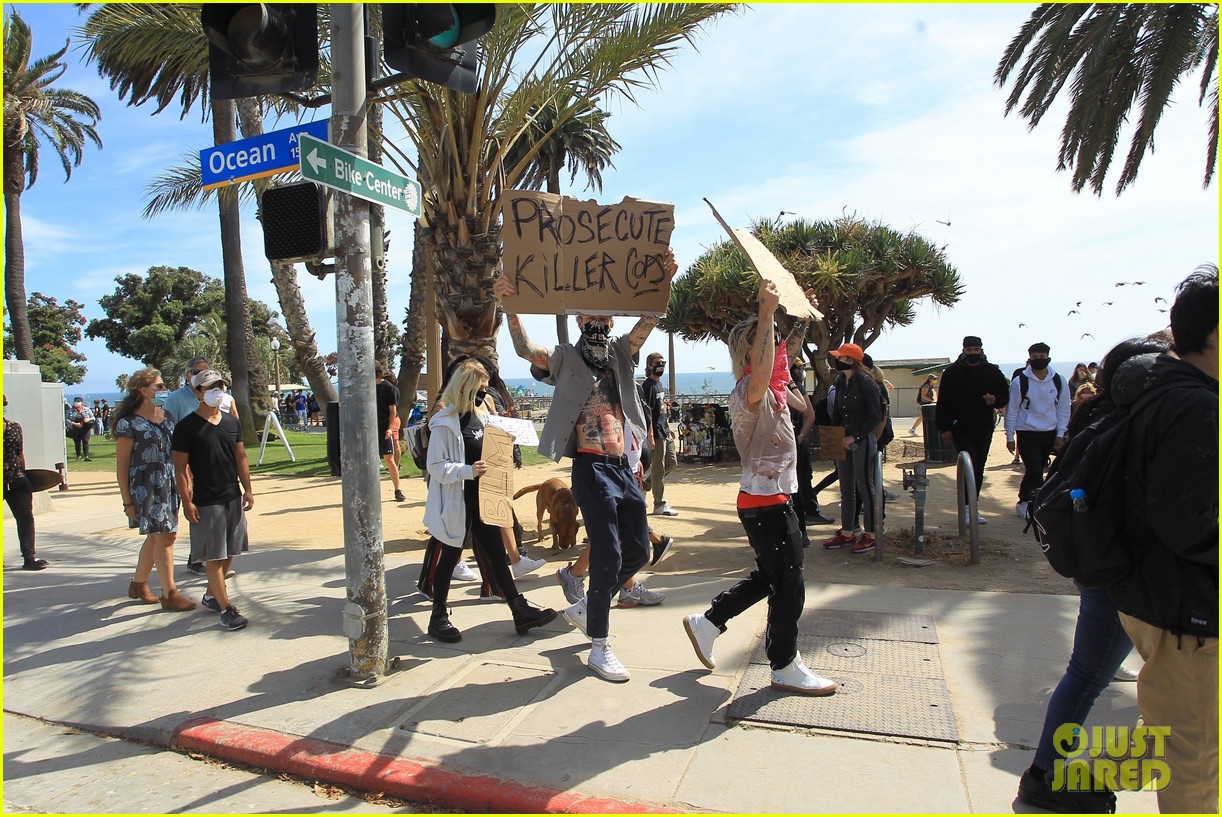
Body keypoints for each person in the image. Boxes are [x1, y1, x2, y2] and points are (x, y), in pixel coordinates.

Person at [494, 253, 677, 683]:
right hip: (592, 468)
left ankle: (585, 607)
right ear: (578, 322)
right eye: (590, 314)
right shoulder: (564, 358)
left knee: (638, 551)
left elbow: (649, 320)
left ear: (612, 322)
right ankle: (599, 645)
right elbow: (524, 350)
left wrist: (665, 279)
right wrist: (509, 307)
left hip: (623, 469)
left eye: (605, 314)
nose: (599, 319)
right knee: (609, 553)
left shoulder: (621, 355)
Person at [1015, 337, 1166, 813]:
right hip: (1118, 574)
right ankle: (1048, 776)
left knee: (1089, 675)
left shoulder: (1101, 421)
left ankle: (1057, 774)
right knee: (1089, 676)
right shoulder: (1137, 428)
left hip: (1099, 566)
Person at [681, 280, 835, 695]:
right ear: (751, 353)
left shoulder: (774, 389)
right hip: (764, 504)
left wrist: (802, 316)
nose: (780, 351)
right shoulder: (749, 393)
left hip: (771, 500)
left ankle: (709, 622)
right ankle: (784, 664)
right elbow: (766, 365)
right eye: (768, 343)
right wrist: (765, 313)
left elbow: (782, 352)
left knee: (772, 576)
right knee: (790, 583)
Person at [1106, 266, 1217, 814]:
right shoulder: (1198, 406)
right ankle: (1060, 777)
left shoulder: (1157, 394)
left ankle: (1079, 776)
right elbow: (1188, 522)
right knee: (1195, 769)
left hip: (1154, 600)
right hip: (1186, 614)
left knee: (1169, 733)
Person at [420, 359, 556, 643]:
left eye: (486, 389)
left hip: (483, 500)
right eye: (480, 389)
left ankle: (520, 610)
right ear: (464, 388)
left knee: (495, 556)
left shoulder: (481, 418)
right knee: (449, 556)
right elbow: (435, 466)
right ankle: (438, 616)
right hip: (457, 500)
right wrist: (468, 471)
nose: (484, 394)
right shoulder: (444, 422)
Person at [171, 370, 254, 631]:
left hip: (232, 497)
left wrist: (248, 489)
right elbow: (181, 469)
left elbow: (240, 457)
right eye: (209, 387)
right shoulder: (186, 427)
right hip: (206, 501)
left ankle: (211, 595)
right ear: (197, 392)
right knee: (214, 558)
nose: (216, 390)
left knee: (230, 551)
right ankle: (225, 608)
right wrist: (187, 502)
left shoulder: (231, 422)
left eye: (219, 385)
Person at [113, 368, 195, 612]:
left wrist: (187, 480)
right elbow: (122, 466)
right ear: (143, 390)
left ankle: (138, 584)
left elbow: (177, 452)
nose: (163, 390)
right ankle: (170, 593)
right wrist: (127, 502)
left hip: (169, 482)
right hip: (145, 486)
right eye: (159, 386)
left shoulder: (167, 416)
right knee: (166, 536)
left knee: (156, 536)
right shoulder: (127, 424)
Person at [163, 357, 238, 577]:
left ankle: (214, 560)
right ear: (188, 376)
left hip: (216, 468)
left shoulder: (223, 398)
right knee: (197, 513)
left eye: (207, 372)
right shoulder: (175, 400)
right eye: (196, 371)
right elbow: (168, 432)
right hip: (187, 463)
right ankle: (198, 560)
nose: (202, 376)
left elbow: (234, 425)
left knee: (217, 517)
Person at [934, 335, 1009, 524]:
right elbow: (943, 402)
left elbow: (1004, 393)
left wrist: (995, 400)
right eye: (970, 350)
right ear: (963, 350)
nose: (973, 353)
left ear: (981, 350)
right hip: (961, 427)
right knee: (970, 463)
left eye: (976, 350)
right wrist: (944, 427)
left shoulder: (992, 371)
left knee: (979, 465)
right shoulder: (952, 373)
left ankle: (972, 505)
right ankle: (967, 508)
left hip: (983, 426)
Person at [821, 343, 883, 554]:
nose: (836, 360)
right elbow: (838, 411)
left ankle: (872, 533)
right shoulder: (841, 381)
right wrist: (835, 435)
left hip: (862, 441)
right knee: (846, 488)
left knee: (866, 487)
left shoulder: (866, 383)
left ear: (850, 360)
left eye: (840, 357)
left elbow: (876, 415)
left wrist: (854, 435)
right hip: (843, 440)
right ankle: (848, 530)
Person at [1005, 343, 1070, 520]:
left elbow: (1063, 409)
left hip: (1049, 432)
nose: (1038, 360)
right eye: (1035, 357)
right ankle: (1035, 505)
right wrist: (1009, 435)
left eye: (1042, 357)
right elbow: (1012, 410)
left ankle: (1023, 501)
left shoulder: (1059, 380)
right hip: (1026, 432)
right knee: (1034, 471)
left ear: (1048, 357)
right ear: (1029, 358)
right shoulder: (1020, 382)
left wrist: (1060, 433)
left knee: (1038, 469)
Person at [4, 395, 47, 570]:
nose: (4, 406)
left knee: (25, 518)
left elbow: (19, 453)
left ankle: (29, 557)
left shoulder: (14, 427)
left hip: (16, 479)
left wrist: (25, 474)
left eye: (4, 403)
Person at [639, 352, 679, 517]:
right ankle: (659, 504)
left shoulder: (660, 385)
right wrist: (649, 435)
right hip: (655, 434)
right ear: (649, 365)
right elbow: (646, 412)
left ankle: (644, 486)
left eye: (663, 362)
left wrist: (668, 428)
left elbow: (661, 410)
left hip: (664, 431)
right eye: (657, 362)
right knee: (658, 468)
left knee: (672, 463)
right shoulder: (647, 386)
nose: (661, 365)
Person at [375, 365, 405, 502]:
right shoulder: (364, 387)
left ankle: (397, 489)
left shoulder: (388, 388)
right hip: (369, 428)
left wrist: (389, 427)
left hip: (383, 426)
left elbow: (393, 411)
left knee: (389, 459)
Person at [67, 397, 95, 461]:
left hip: (86, 429)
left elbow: (93, 417)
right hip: (75, 429)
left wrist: (88, 419)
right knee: (77, 442)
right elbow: (67, 419)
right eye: (76, 401)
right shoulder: (70, 411)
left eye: (78, 401)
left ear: (81, 402)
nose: (77, 403)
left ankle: (86, 456)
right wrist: (74, 424)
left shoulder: (87, 409)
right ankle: (78, 456)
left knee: (85, 441)